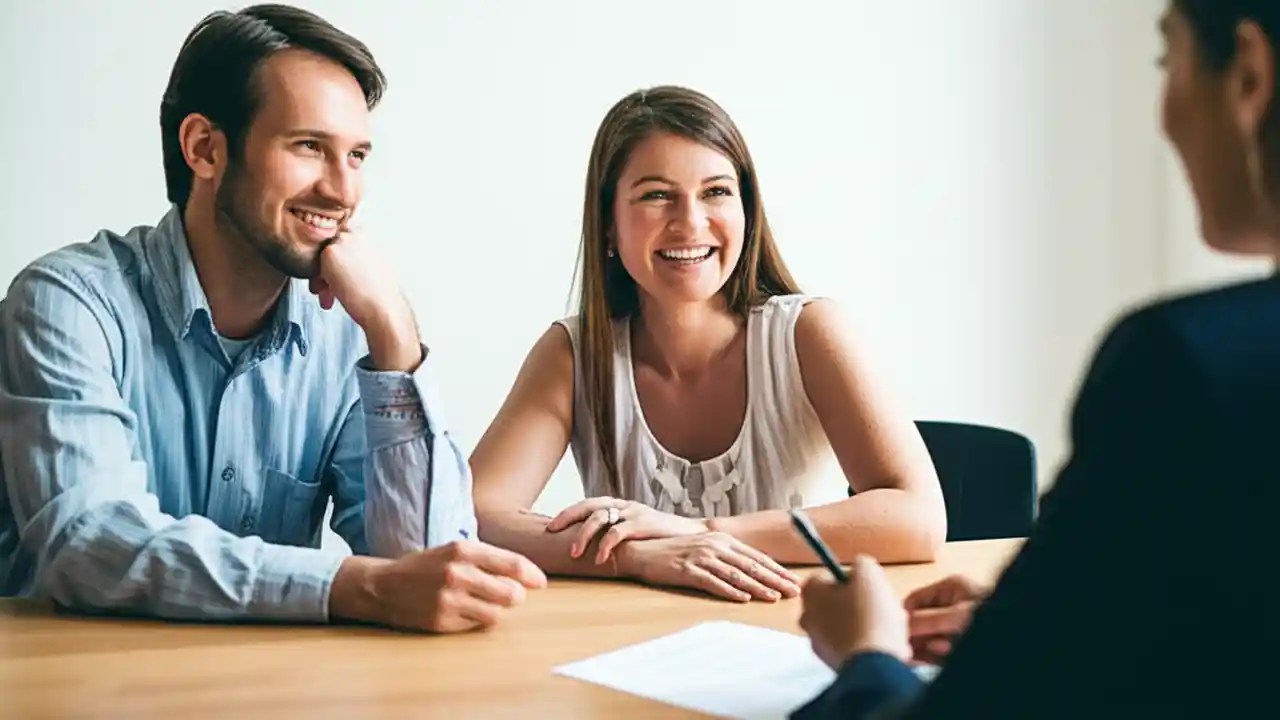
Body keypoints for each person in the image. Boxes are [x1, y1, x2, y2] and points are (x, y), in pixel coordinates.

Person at [795, 0, 1276, 715]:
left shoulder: (1185, 370)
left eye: (1166, 60)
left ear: (1248, 75)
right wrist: (1067, 618)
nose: (1163, 113)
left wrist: (863, 653)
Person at [0, 4, 544, 633]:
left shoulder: (347, 337)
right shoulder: (68, 306)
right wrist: (351, 586)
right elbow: (90, 543)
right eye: (310, 147)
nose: (343, 191)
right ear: (204, 148)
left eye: (358, 155)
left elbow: (434, 570)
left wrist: (396, 338)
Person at [471, 86, 947, 603]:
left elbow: (918, 519)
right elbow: (472, 515)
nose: (690, 223)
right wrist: (633, 554)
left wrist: (698, 534)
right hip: (631, 648)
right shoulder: (573, 353)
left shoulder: (810, 332)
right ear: (608, 223)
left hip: (797, 633)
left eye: (716, 192)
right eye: (656, 195)